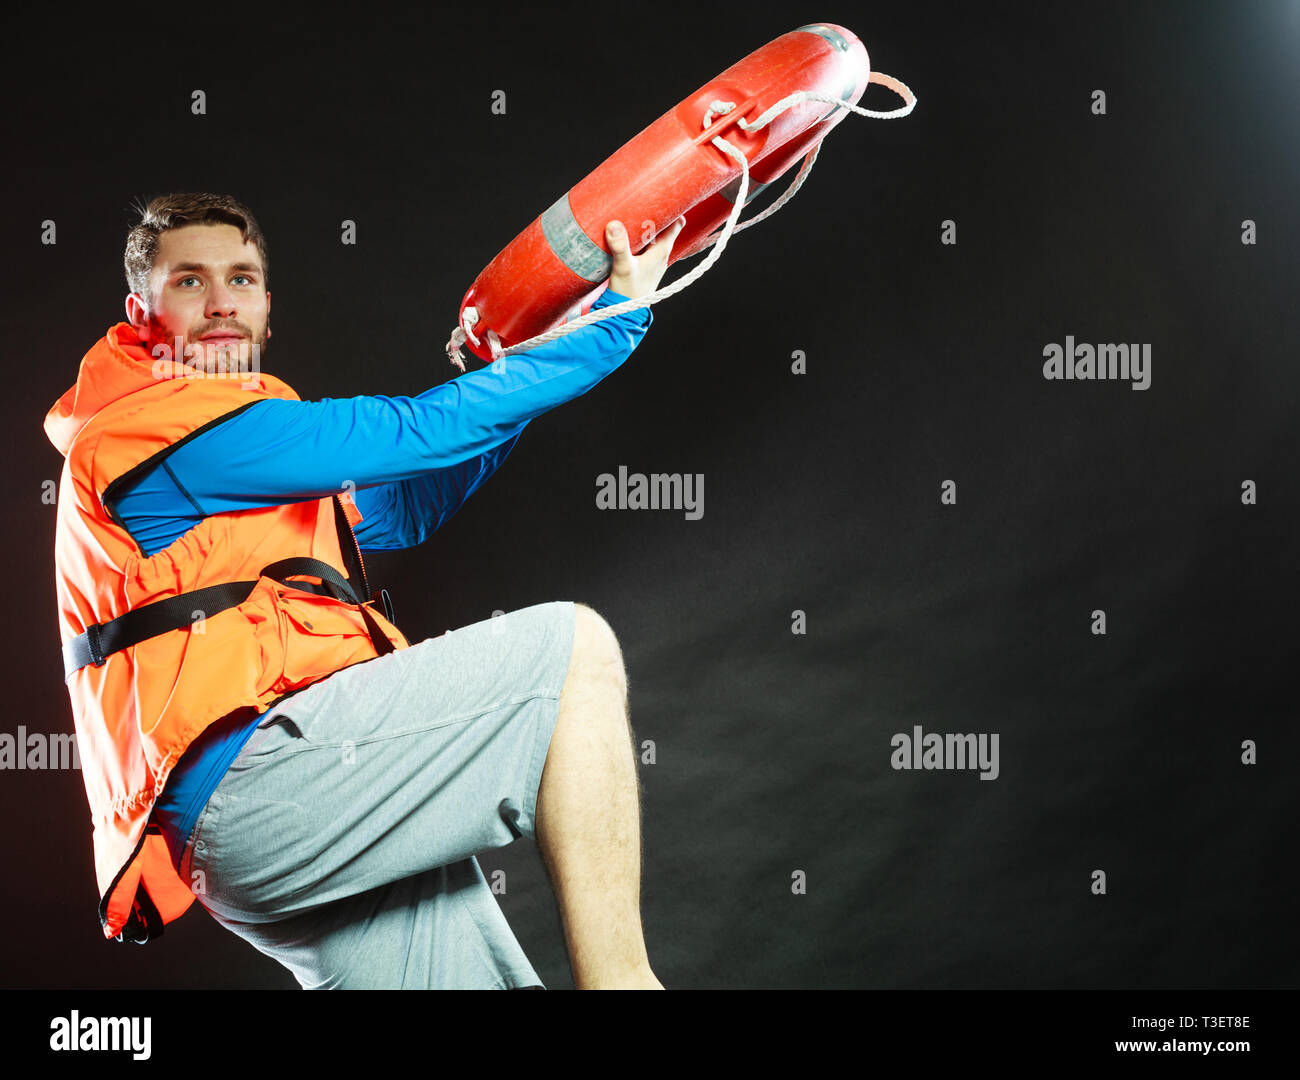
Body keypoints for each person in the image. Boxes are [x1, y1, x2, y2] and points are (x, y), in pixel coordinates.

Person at [45, 192, 685, 989]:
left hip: (284, 817)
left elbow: (402, 505)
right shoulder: (150, 432)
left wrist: (525, 359)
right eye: (189, 283)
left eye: (241, 279)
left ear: (267, 306)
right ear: (141, 312)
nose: (219, 303)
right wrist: (608, 326)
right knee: (571, 649)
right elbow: (414, 431)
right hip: (257, 788)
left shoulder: (240, 441)